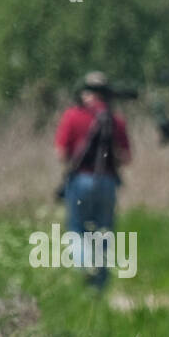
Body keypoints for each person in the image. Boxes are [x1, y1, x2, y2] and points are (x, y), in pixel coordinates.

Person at [54, 71, 132, 289]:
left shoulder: (72, 116)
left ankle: (84, 266)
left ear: (86, 92)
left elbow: (61, 153)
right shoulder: (115, 120)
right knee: (103, 232)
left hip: (80, 180)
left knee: (77, 230)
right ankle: (98, 286)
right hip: (107, 182)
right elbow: (126, 157)